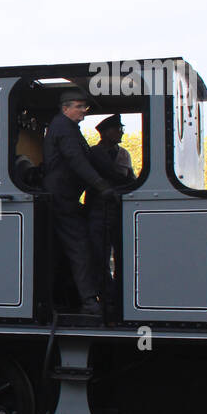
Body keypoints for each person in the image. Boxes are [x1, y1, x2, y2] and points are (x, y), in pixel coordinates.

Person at [42, 96, 120, 315]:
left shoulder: (67, 127)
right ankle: (89, 301)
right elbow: (76, 159)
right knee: (80, 247)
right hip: (62, 198)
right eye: (78, 107)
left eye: (84, 107)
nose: (83, 111)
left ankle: (81, 296)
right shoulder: (64, 128)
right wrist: (101, 185)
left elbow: (87, 159)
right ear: (65, 108)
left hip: (66, 197)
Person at [87, 114, 134, 297]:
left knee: (122, 253)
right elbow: (116, 175)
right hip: (98, 210)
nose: (121, 132)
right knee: (99, 256)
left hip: (117, 210)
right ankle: (106, 295)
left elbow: (129, 178)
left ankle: (121, 293)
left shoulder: (124, 153)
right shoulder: (95, 153)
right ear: (105, 133)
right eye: (117, 129)